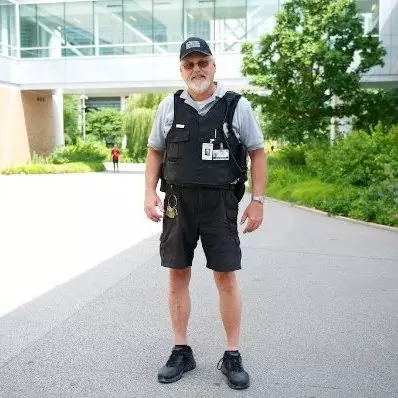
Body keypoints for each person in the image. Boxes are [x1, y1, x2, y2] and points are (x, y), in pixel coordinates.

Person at [144, 37, 266, 390]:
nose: (196, 69)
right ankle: (181, 350)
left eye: (203, 62)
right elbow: (155, 151)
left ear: (214, 66)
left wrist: (258, 200)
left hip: (220, 205)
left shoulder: (236, 107)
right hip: (177, 203)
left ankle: (232, 355)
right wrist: (148, 193)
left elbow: (257, 152)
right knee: (177, 274)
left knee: (225, 277)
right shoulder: (169, 106)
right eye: (189, 64)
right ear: (182, 70)